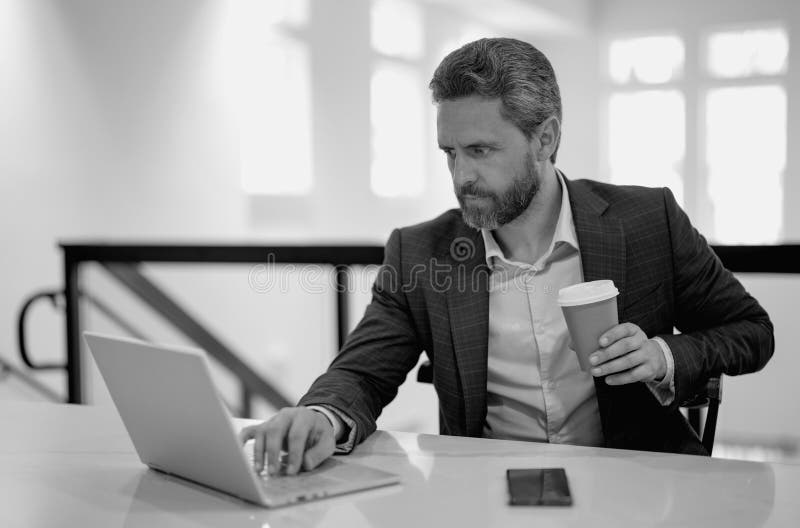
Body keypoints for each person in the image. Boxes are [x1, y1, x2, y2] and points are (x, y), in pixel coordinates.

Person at [240, 37, 774, 476]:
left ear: (545, 139)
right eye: (449, 153)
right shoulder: (420, 251)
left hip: (637, 483)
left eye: (480, 151)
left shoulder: (646, 220)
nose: (460, 177)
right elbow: (361, 374)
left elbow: (751, 330)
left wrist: (664, 356)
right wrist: (320, 415)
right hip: (483, 492)